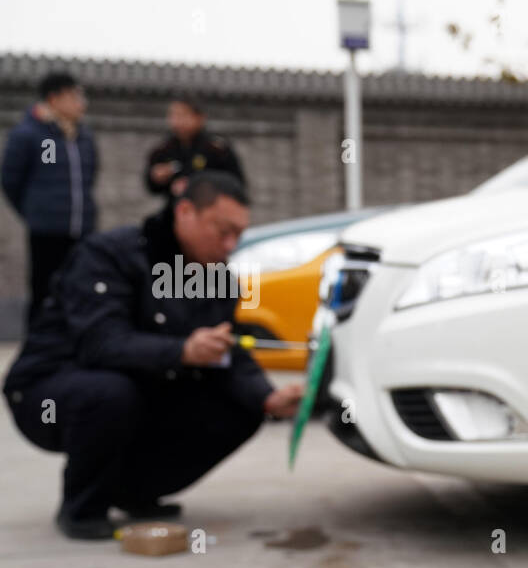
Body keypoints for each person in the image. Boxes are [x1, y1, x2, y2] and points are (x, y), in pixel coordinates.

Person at [3, 171, 303, 540]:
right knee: (110, 393)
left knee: (241, 407)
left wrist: (268, 396)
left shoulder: (219, 280)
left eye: (238, 235)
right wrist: (182, 350)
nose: (230, 244)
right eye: (221, 230)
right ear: (186, 212)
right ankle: (82, 506)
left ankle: (135, 491)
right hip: (48, 390)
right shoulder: (109, 255)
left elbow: (229, 354)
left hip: (140, 389)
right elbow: (100, 343)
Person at [1, 71, 98, 328]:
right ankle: (38, 350)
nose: (81, 103)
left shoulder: (83, 137)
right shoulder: (43, 137)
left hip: (81, 229)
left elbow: (89, 177)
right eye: (74, 96)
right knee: (45, 291)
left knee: (79, 290)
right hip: (48, 231)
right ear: (54, 99)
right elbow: (12, 181)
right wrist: (36, 211)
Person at [144, 96, 244, 199]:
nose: (177, 121)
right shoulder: (164, 149)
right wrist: (156, 178)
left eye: (183, 115)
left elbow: (236, 183)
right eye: (173, 115)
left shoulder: (216, 149)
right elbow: (152, 186)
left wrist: (195, 185)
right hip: (174, 208)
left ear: (200, 118)